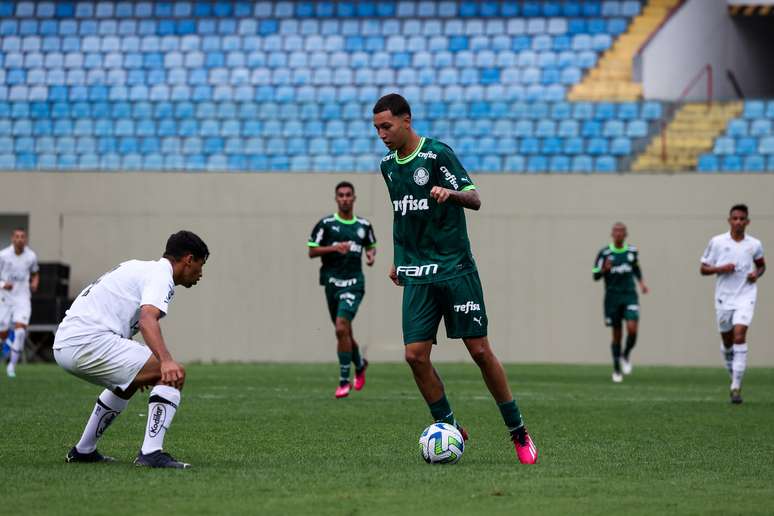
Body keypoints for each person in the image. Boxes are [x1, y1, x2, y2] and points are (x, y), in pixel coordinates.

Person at [372, 93, 537, 464]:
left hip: (455, 269)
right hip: (417, 273)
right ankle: (448, 425)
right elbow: (402, 218)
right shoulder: (387, 166)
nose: (382, 134)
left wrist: (452, 193)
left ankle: (518, 432)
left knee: (479, 351)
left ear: (406, 120)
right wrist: (399, 261)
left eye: (387, 126)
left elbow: (475, 198)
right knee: (415, 356)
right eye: (377, 128)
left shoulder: (436, 154)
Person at [53, 230, 209, 468]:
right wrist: (164, 361)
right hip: (87, 341)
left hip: (68, 342)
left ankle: (83, 450)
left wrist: (141, 370)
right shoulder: (161, 276)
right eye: (201, 264)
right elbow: (148, 320)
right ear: (188, 259)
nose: (201, 273)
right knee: (173, 373)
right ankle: (151, 453)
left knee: (130, 383)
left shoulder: (141, 268)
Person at [308, 181, 377, 398]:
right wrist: (334, 248)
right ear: (336, 198)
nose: (345, 198)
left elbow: (371, 246)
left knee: (340, 328)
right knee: (344, 331)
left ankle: (343, 381)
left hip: (354, 284)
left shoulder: (364, 225)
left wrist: (370, 255)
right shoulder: (326, 225)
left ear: (354, 198)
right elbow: (312, 251)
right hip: (331, 283)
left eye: (348, 195)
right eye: (341, 195)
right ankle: (360, 363)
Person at [700, 204, 765, 404]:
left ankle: (736, 387)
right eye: (735, 218)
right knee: (728, 342)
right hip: (724, 298)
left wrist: (756, 274)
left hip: (746, 295)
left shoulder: (754, 244)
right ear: (729, 220)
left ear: (747, 222)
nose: (738, 222)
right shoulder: (717, 242)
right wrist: (721, 268)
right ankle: (733, 376)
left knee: (739, 336)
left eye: (742, 219)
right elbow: (703, 269)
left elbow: (761, 266)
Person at [592, 223, 649, 383]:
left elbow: (636, 268)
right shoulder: (604, 253)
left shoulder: (632, 251)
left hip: (630, 295)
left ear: (626, 234)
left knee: (632, 329)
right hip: (612, 298)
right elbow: (595, 275)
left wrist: (642, 283)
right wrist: (604, 269)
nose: (618, 234)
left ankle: (626, 354)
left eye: (621, 231)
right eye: (616, 231)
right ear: (611, 234)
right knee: (617, 334)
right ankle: (617, 369)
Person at [0, 228, 40, 378]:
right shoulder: (3, 256)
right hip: (4, 299)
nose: (20, 239)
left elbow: (35, 273)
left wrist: (35, 283)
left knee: (20, 332)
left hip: (22, 299)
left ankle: (11, 366)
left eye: (22, 237)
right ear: (12, 238)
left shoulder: (31, 256)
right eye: (17, 236)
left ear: (26, 239)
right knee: (3, 335)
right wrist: (3, 285)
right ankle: (9, 347)